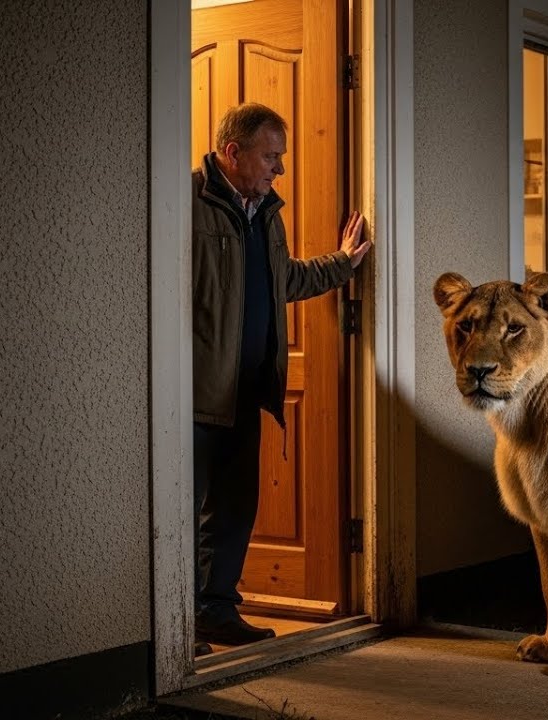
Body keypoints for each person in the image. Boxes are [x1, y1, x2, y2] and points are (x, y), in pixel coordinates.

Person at [191, 102, 370, 654]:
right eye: (272, 156)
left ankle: (215, 612)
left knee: (236, 506)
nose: (280, 169)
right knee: (180, 510)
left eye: (282, 157)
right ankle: (173, 623)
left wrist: (343, 262)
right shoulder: (186, 204)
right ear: (233, 152)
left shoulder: (267, 211)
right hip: (195, 391)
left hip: (248, 388)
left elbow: (282, 280)